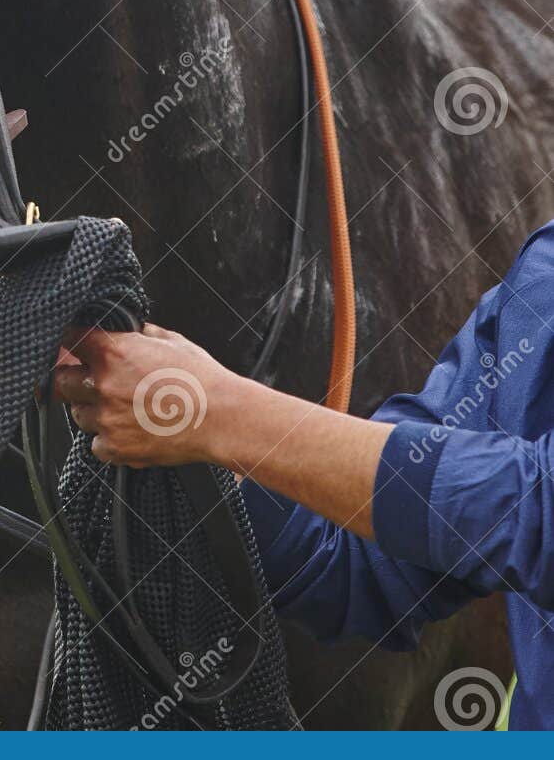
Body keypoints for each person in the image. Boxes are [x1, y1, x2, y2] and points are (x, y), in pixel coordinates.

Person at [53, 219, 554, 731]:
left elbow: (541, 515)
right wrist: (180, 437)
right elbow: (370, 558)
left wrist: (219, 413)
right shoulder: (545, 271)